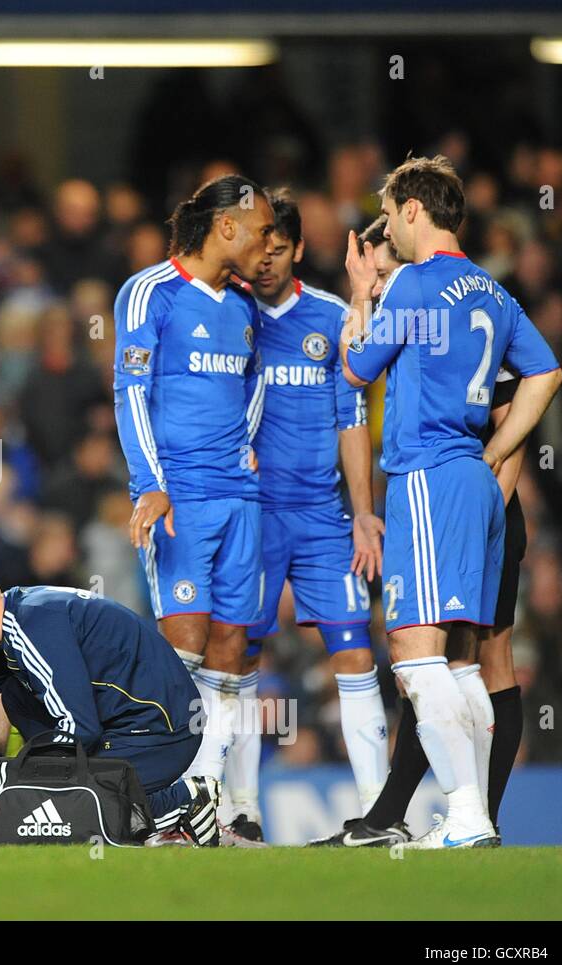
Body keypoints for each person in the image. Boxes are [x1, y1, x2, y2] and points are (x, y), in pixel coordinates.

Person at [339, 155, 562, 849]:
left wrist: (360, 294)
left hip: (428, 479)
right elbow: (546, 371)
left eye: (388, 211)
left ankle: (466, 815)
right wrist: (498, 452)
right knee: (462, 662)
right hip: (474, 478)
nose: (385, 230)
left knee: (413, 651)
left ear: (413, 210)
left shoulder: (412, 283)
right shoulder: (492, 291)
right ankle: (474, 816)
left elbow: (355, 365)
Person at [230, 191, 388, 842]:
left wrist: (362, 514)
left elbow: (352, 418)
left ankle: (380, 810)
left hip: (323, 516)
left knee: (353, 653)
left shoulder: (332, 317)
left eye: (277, 249)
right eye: (256, 249)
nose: (264, 262)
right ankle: (241, 810)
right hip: (254, 515)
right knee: (240, 656)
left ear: (296, 249)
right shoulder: (229, 315)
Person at [112, 175, 275, 788]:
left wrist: (248, 446)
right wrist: (150, 483)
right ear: (226, 226)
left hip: (241, 497)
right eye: (260, 231)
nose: (268, 244)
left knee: (232, 646)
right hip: (180, 497)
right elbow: (130, 392)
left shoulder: (243, 303)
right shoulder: (149, 292)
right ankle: (158, 787)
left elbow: (254, 382)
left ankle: (205, 793)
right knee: (183, 647)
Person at [0, 558, 221, 846]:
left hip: (159, 736)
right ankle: (98, 793)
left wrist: (16, 777)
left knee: (51, 812)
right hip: (129, 726)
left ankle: (184, 801)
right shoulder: (18, 621)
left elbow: (80, 728)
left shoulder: (34, 626)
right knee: (16, 696)